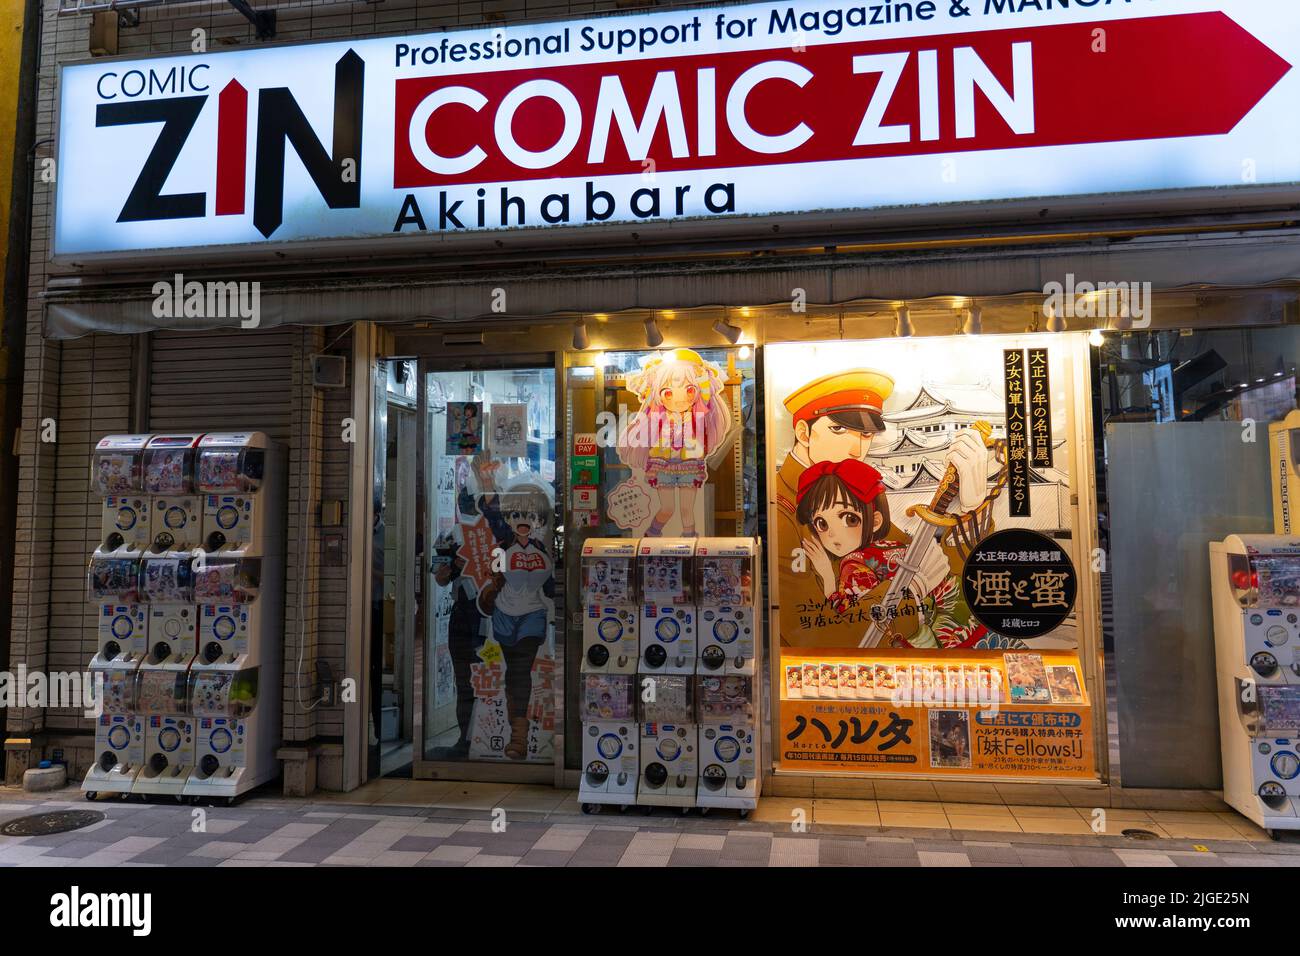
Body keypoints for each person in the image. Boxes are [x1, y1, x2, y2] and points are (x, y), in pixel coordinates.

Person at [775, 368, 991, 648]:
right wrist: (910, 590)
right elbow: (810, 632)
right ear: (803, 433)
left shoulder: (856, 490)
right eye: (838, 429)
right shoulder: (781, 507)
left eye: (865, 435)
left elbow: (935, 563)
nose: (856, 449)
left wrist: (971, 506)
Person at [795, 458, 988, 649]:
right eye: (822, 523)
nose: (832, 534)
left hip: (928, 632)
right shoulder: (892, 545)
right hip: (961, 621)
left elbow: (849, 617)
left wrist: (828, 579)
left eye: (849, 519)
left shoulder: (853, 564)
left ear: (876, 521)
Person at [474, 479, 555, 760]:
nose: (524, 520)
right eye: (517, 515)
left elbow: (549, 587)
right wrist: (486, 485)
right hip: (504, 617)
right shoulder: (504, 542)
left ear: (540, 521)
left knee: (520, 670)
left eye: (531, 516)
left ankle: (518, 737)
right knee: (514, 671)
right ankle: (517, 729)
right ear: (509, 518)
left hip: (533, 616)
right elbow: (493, 516)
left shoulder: (544, 548)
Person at [617, 348, 732, 537]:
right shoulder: (657, 417)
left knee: (687, 511)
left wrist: (701, 376)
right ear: (659, 395)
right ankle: (651, 536)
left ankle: (689, 547)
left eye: (688, 390)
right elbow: (645, 392)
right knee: (667, 508)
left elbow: (707, 396)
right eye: (668, 393)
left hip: (689, 464)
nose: (679, 399)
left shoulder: (697, 415)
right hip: (663, 465)